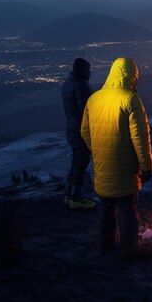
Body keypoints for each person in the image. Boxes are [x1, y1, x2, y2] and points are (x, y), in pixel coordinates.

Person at [80, 57, 152, 260]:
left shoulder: (94, 99)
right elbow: (140, 136)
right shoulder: (130, 99)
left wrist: (98, 151)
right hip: (125, 169)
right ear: (132, 75)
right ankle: (131, 249)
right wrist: (146, 166)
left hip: (102, 166)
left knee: (105, 208)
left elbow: (85, 132)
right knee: (127, 209)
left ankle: (105, 245)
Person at [61, 57, 96, 209]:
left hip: (71, 127)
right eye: (88, 70)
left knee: (76, 160)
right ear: (83, 70)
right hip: (81, 129)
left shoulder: (68, 83)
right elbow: (87, 109)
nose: (90, 73)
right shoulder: (81, 85)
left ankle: (68, 194)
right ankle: (76, 197)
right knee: (81, 161)